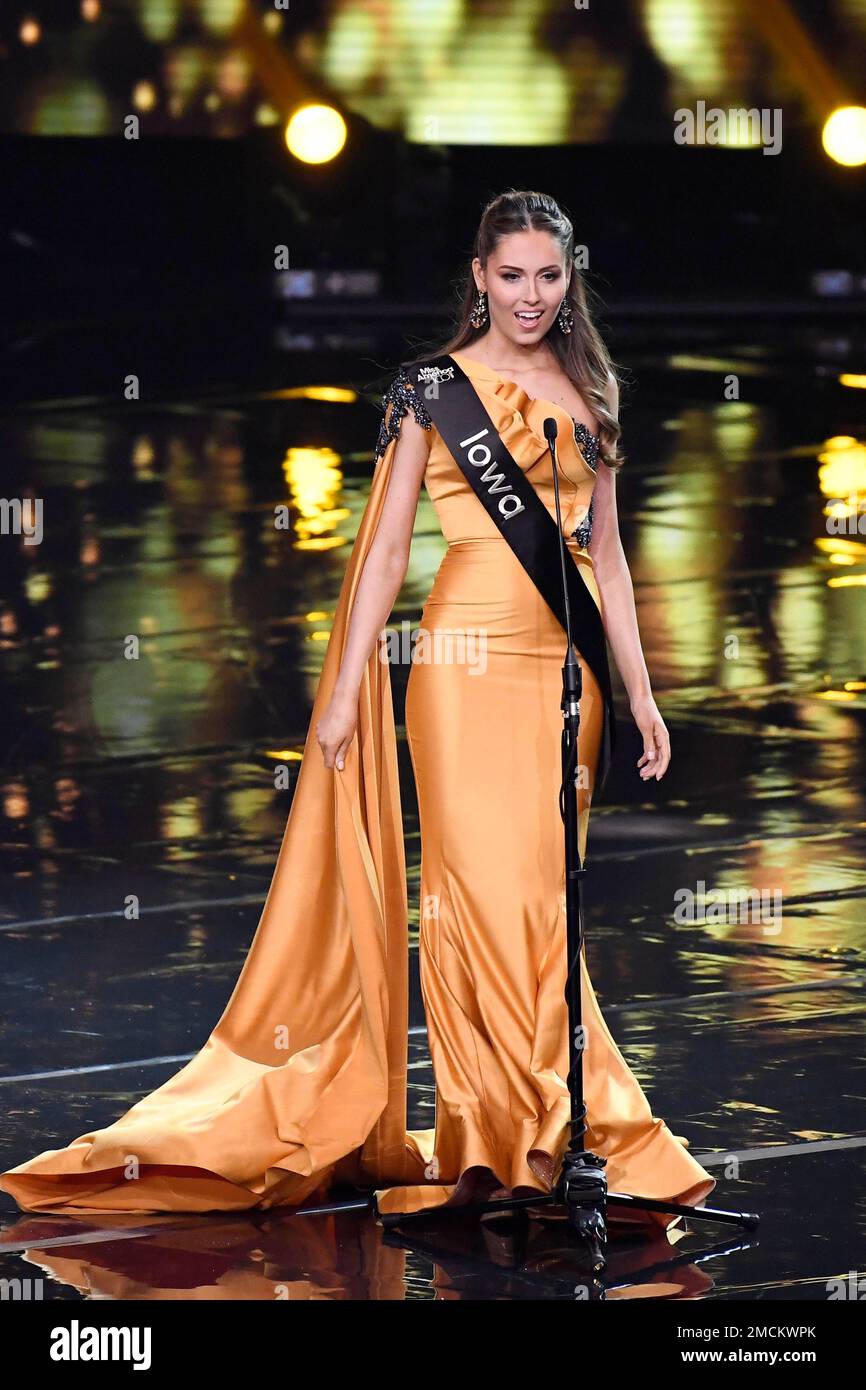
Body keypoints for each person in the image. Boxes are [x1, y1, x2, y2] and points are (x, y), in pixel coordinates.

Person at [0, 190, 715, 1228]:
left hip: (567, 677)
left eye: (547, 277)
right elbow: (382, 553)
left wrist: (641, 694)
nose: (527, 295)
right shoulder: (432, 391)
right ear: (478, 275)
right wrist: (339, 699)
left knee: (543, 904)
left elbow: (606, 551)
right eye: (508, 275)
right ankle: (488, 1136)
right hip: (461, 673)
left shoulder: (590, 386)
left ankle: (553, 1124)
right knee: (471, 899)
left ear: (570, 280)